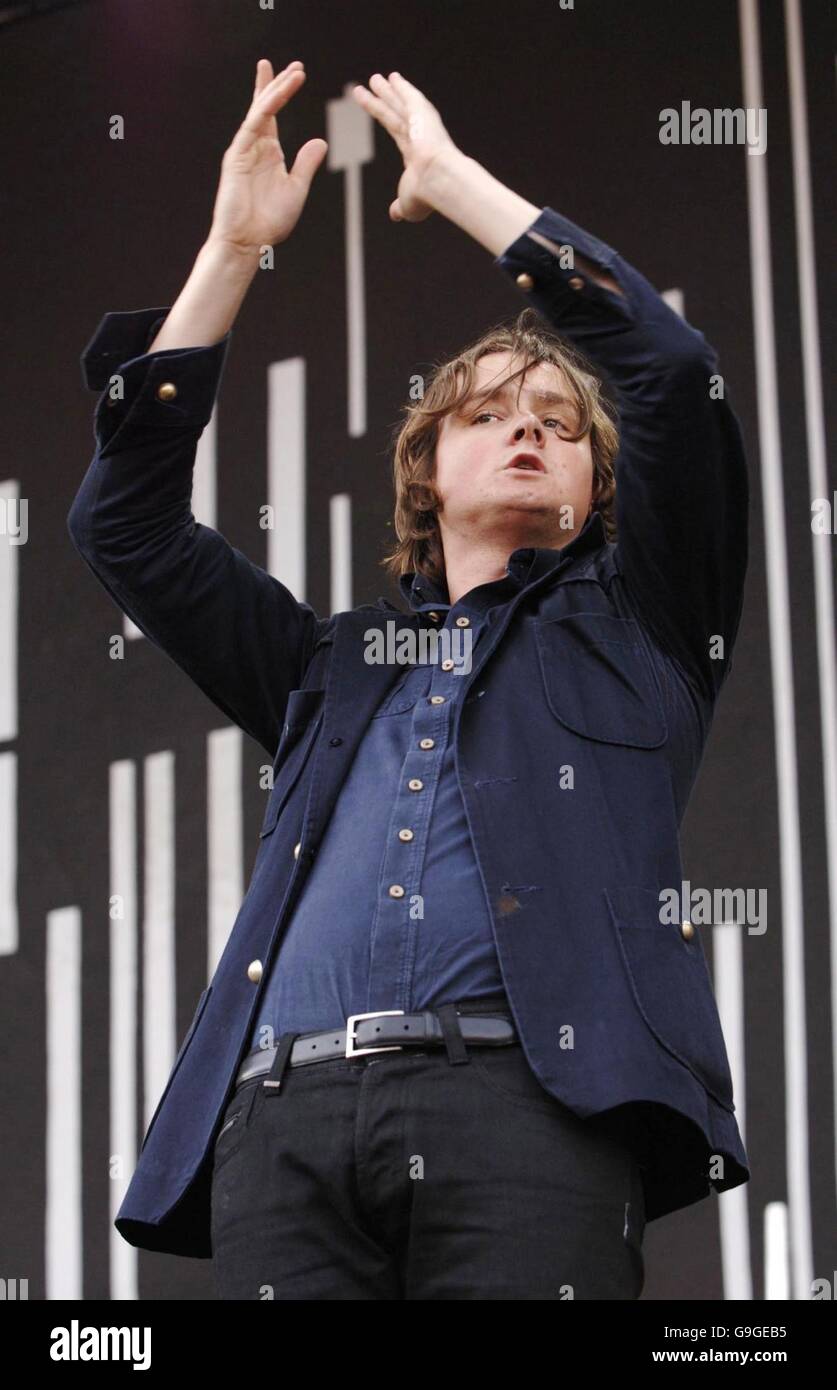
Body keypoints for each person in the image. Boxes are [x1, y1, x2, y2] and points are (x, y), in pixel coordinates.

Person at [68, 59, 751, 1300]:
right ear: (424, 470)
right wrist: (228, 251)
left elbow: (666, 371)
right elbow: (124, 526)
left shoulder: (646, 620)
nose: (532, 427)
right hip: (283, 1126)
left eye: (558, 419)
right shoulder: (327, 668)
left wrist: (457, 187)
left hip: (532, 1118)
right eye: (490, 413)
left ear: (598, 487)